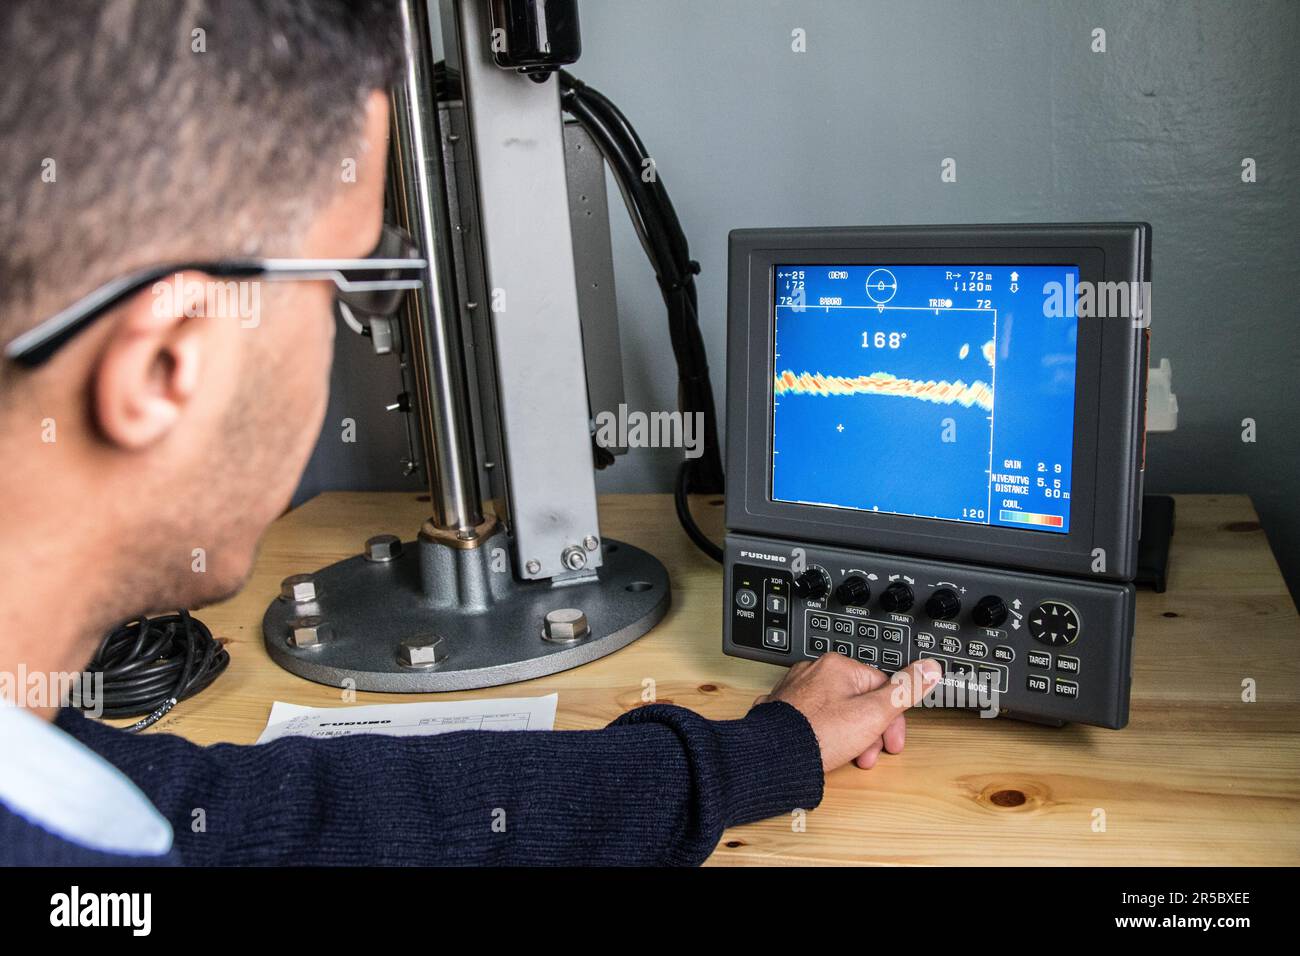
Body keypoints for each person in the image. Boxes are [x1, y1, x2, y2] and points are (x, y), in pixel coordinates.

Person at [0, 0, 941, 866]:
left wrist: (748, 758)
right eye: (350, 276)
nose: (358, 330)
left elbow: (293, 821)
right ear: (170, 365)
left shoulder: (58, 773)